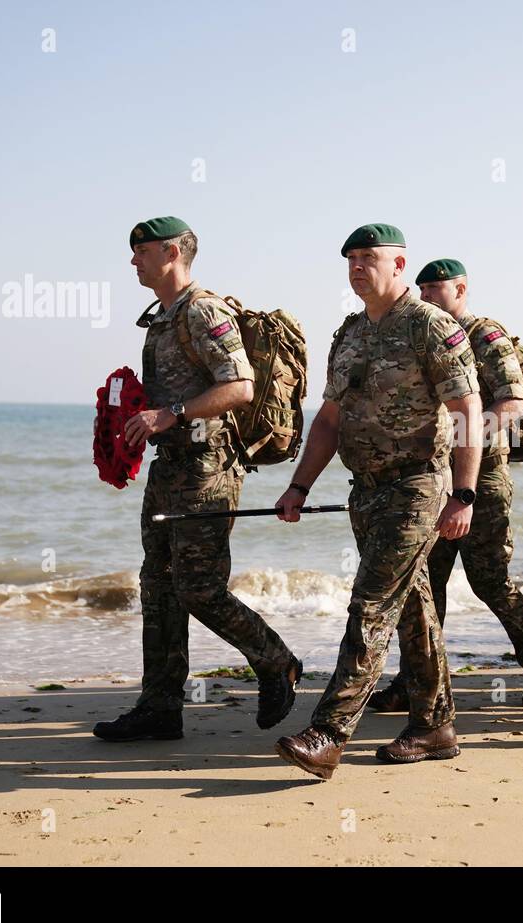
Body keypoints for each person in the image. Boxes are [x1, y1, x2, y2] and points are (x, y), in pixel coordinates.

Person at [272, 224, 482, 780]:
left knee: (372, 604)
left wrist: (463, 494)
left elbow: (466, 409)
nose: (358, 266)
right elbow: (330, 419)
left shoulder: (431, 328)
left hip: (417, 485)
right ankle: (435, 726)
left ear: (400, 265)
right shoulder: (349, 333)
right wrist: (300, 486)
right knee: (413, 609)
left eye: (370, 257)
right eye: (351, 259)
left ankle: (330, 732)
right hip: (366, 489)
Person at [94, 217, 302, 743]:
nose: (132, 260)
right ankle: (159, 708)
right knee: (158, 587)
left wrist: (173, 414)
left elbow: (241, 386)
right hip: (172, 468)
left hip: (208, 469)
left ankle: (275, 660)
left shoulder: (203, 310)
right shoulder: (162, 318)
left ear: (170, 252)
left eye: (139, 250)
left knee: (199, 589)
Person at [368, 258, 523, 710]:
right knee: (423, 585)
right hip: (430, 482)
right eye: (424, 289)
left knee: (490, 581)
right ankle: (415, 681)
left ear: (462, 289)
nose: (429, 296)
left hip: (483, 479)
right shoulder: (421, 335)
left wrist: (465, 439)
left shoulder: (484, 334)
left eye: (439, 289)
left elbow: (512, 402)